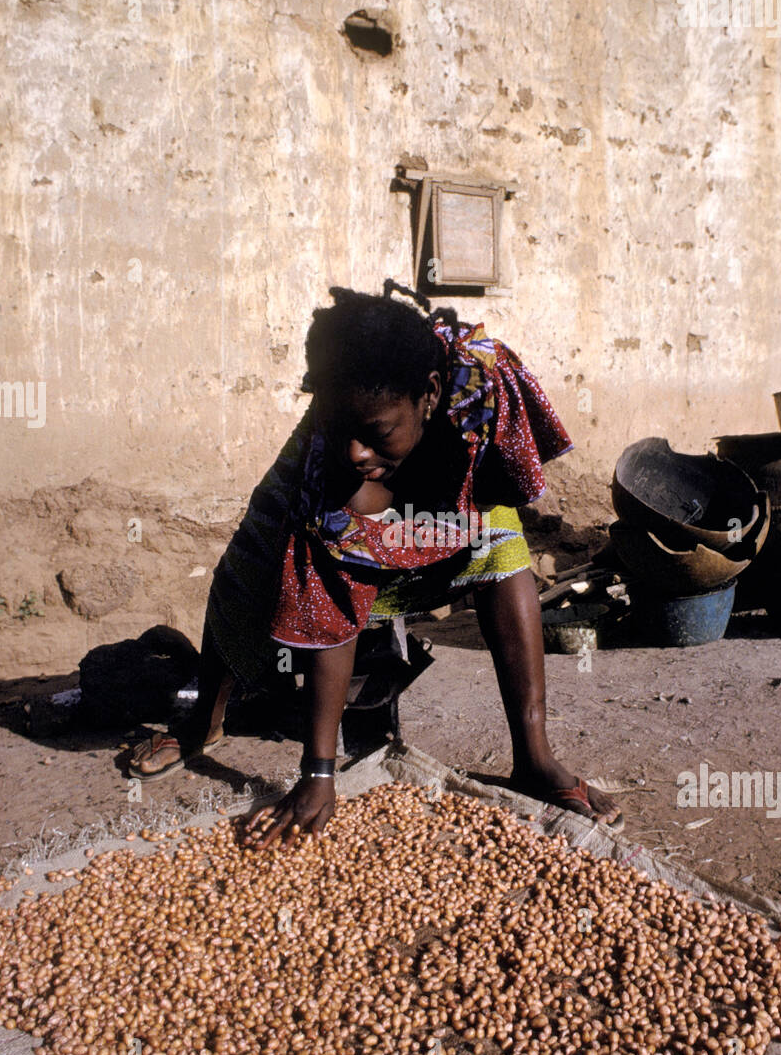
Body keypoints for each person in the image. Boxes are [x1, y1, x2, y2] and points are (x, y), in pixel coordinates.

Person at [128, 280, 621, 845]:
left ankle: (534, 757)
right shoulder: (330, 468)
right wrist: (318, 772)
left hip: (440, 496)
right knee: (247, 571)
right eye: (340, 429)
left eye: (376, 433)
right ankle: (203, 722)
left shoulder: (486, 394)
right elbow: (332, 600)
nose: (355, 452)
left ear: (429, 393)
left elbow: (506, 487)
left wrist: (447, 513)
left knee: (500, 539)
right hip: (316, 522)